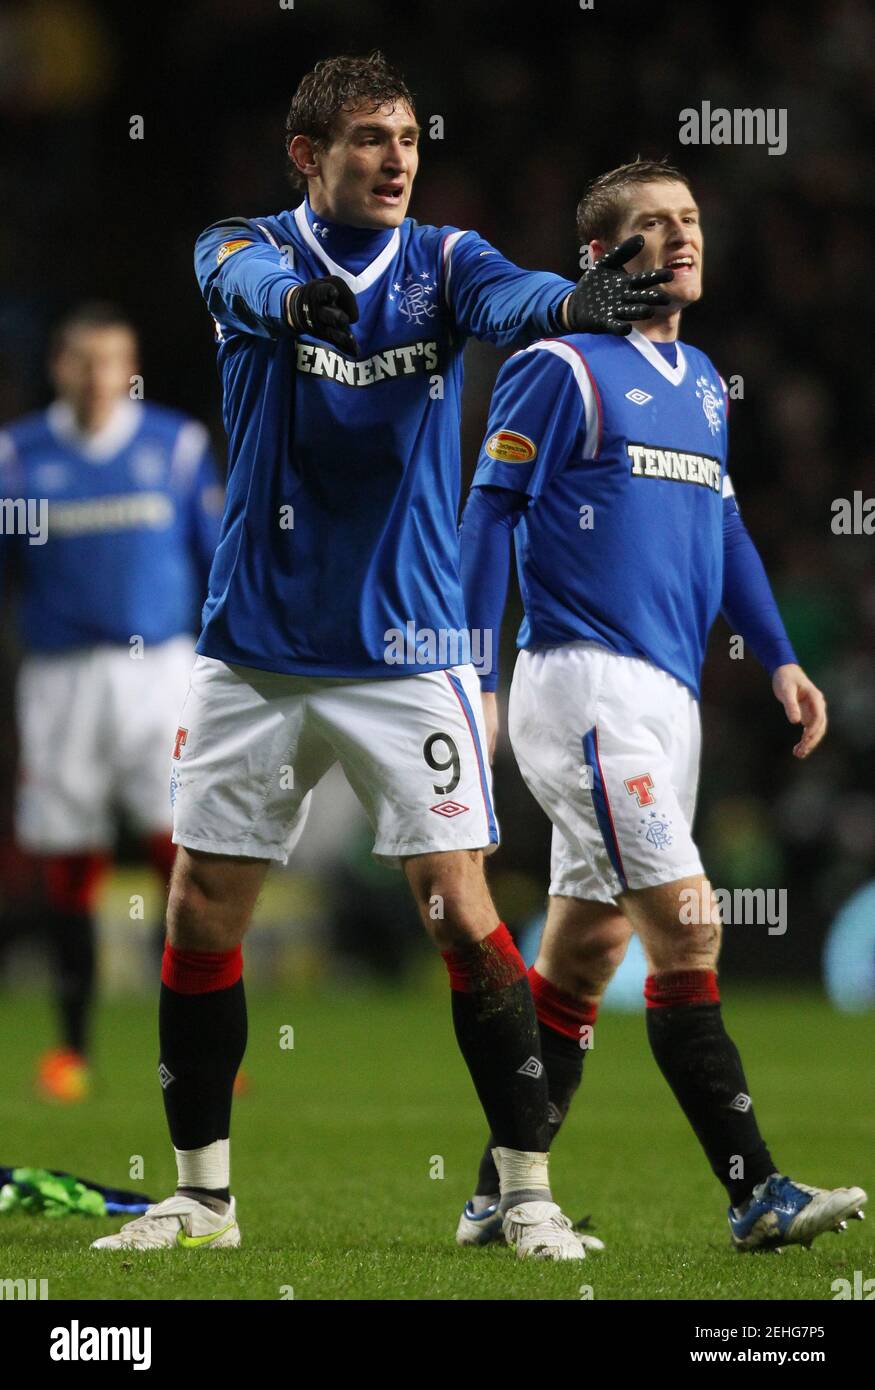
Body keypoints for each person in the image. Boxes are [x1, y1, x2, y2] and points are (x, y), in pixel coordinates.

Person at [91, 53, 672, 1259]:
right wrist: (291, 305)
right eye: (366, 138)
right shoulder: (239, 246)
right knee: (200, 909)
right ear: (307, 155)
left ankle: (522, 1197)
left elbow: (514, 300)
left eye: (406, 136)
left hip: (407, 650)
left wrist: (576, 304)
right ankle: (202, 1199)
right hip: (252, 646)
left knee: (460, 915)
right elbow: (239, 279)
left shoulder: (444, 264)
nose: (395, 157)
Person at [455, 159, 867, 1252]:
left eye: (687, 219)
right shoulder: (557, 365)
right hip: (580, 684)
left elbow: (721, 527)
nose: (678, 236)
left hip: (666, 696)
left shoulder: (697, 381)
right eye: (650, 224)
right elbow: (486, 516)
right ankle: (754, 1192)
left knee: (584, 953)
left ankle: (498, 1188)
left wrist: (777, 656)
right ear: (599, 257)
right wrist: (472, 676)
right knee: (687, 927)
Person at [0, 302, 221, 1100]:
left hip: (159, 671)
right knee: (68, 858)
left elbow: (214, 559)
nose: (99, 378)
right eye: (84, 362)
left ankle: (203, 1051)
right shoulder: (20, 460)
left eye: (113, 361)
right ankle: (73, 1050)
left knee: (185, 852)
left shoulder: (175, 448)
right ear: (60, 367)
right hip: (62, 678)